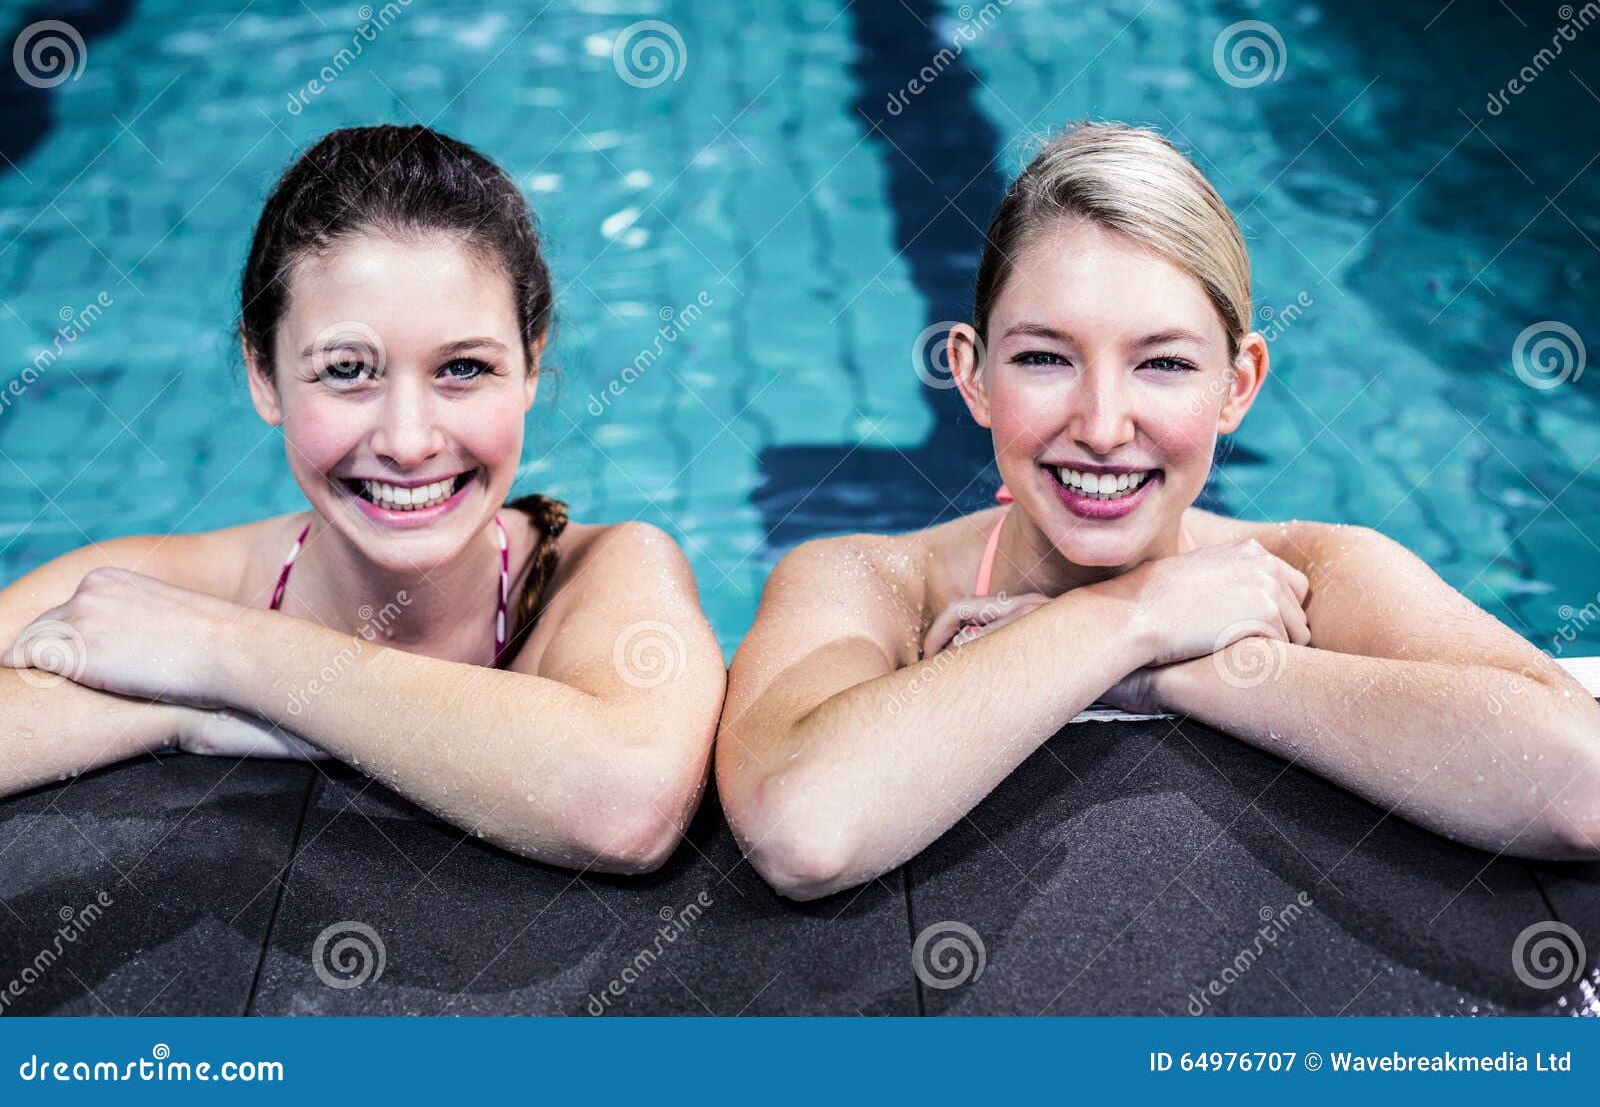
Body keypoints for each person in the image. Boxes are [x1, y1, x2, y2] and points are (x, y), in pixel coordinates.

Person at [716, 122, 1600, 900]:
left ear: (1238, 383)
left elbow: (1582, 780)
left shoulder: (1317, 574)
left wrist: (1153, 671)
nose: (1102, 427)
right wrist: (1137, 618)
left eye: (1165, 364)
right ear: (973, 374)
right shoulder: (872, 582)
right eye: (1045, 359)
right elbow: (802, 830)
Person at [0, 126, 725, 874]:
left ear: (532, 363)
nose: (408, 441)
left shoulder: (600, 573)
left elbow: (627, 805)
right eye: (347, 370)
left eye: (465, 367)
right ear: (261, 372)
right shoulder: (156, 584)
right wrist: (187, 709)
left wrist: (224, 657)